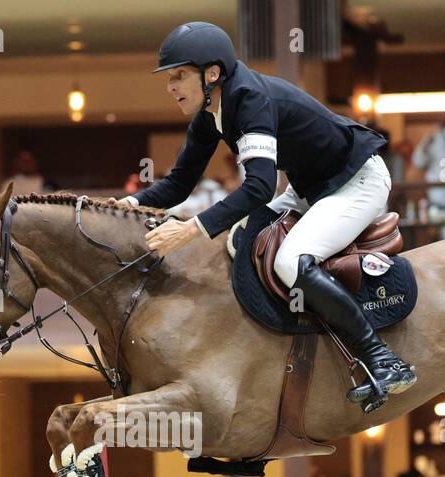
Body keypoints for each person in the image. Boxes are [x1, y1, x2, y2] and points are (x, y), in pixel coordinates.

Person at [119, 21, 413, 411]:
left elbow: (259, 188)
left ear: (212, 74)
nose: (170, 86)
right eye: (169, 78)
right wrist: (131, 206)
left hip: (356, 181)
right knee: (240, 239)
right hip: (310, 187)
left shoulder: (250, 98)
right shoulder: (211, 114)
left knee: (292, 260)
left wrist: (191, 229)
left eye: (178, 76)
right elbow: (178, 185)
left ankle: (382, 358)